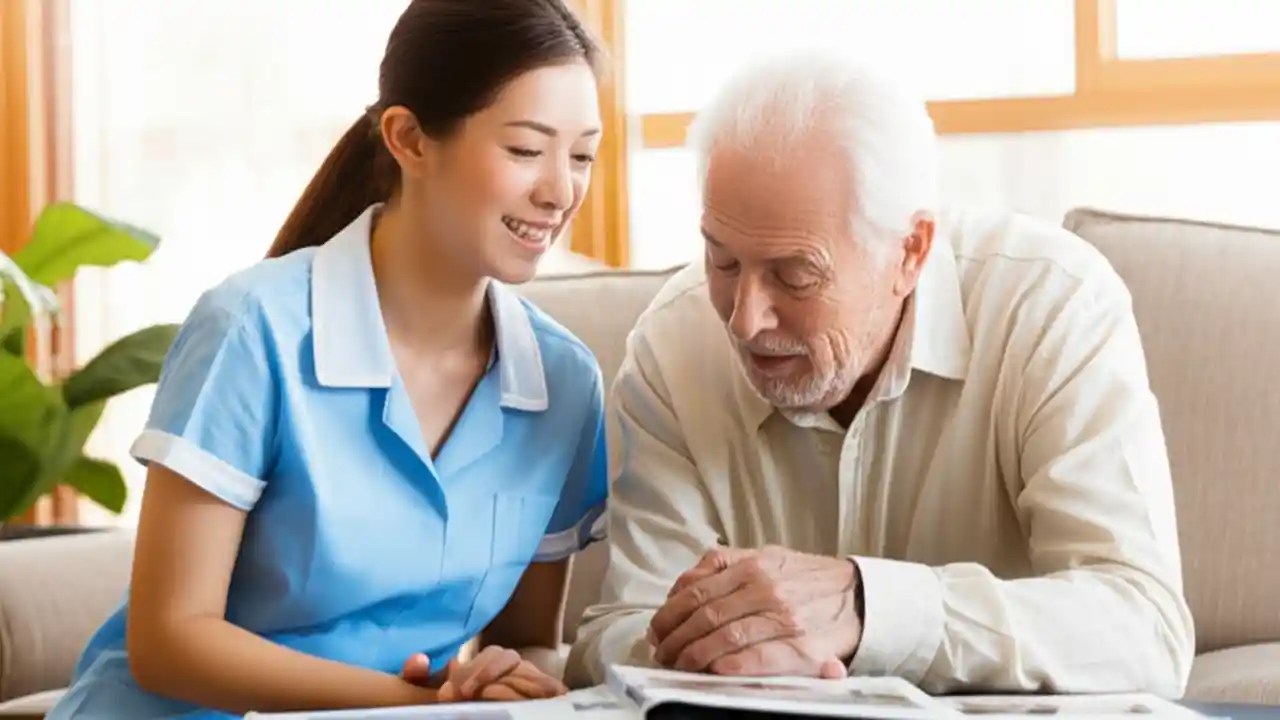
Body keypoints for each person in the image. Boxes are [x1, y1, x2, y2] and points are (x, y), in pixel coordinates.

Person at [566, 52, 1195, 697]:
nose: (745, 320)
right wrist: (725, 642)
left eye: (795, 274)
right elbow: (619, 632)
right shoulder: (673, 345)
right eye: (722, 261)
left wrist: (868, 607)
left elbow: (1143, 629)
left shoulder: (1052, 304)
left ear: (910, 251)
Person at [51, 1, 607, 717]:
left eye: (583, 154)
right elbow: (169, 641)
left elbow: (529, 640)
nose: (560, 191)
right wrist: (414, 704)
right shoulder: (254, 331)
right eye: (526, 150)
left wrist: (500, 680)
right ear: (409, 139)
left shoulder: (562, 384)